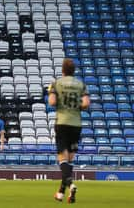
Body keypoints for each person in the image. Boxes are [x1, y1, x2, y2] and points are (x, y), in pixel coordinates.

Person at [48, 58, 90, 203]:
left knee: (62, 159)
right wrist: (74, 104)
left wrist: (62, 101)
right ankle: (60, 192)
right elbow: (86, 104)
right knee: (70, 160)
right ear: (74, 70)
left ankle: (71, 184)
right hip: (76, 124)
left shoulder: (56, 83)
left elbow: (52, 102)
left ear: (63, 70)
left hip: (62, 122)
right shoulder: (81, 85)